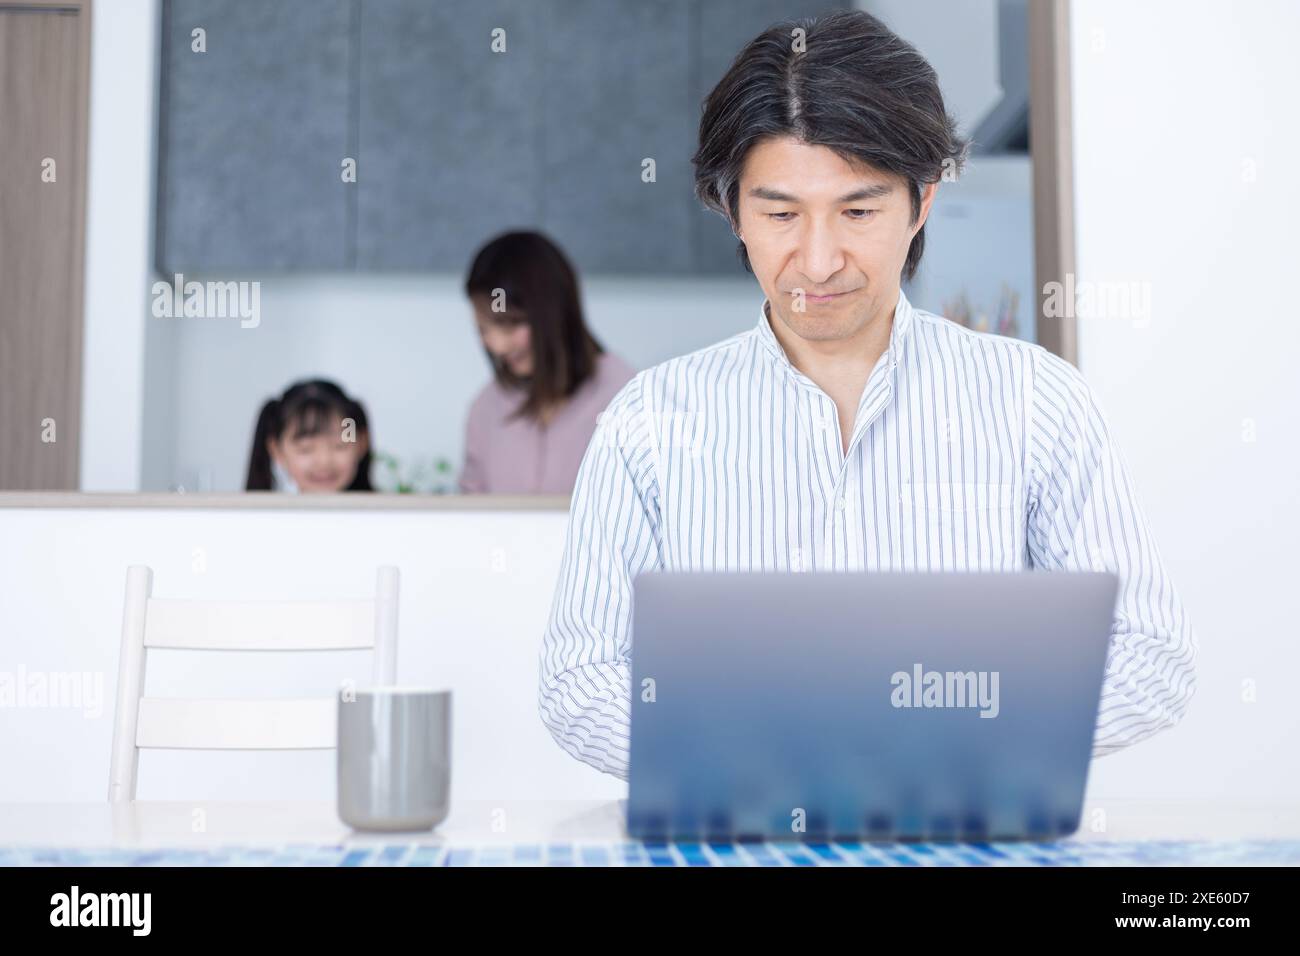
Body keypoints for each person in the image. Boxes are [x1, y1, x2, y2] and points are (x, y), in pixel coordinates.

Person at [539, 10, 1196, 779]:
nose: (818, 262)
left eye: (858, 211)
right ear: (730, 210)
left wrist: (949, 743)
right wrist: (756, 756)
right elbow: (579, 679)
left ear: (921, 202)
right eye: (780, 214)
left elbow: (1149, 653)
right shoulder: (648, 424)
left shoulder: (1036, 402)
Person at [459, 230, 635, 494]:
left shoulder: (624, 396)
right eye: (483, 329)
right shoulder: (486, 409)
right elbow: (471, 514)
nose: (497, 345)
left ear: (553, 313)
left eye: (510, 324)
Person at [245, 379, 373, 492]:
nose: (324, 461)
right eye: (305, 449)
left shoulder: (388, 515)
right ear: (277, 451)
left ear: (362, 444)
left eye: (339, 446)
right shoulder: (258, 518)